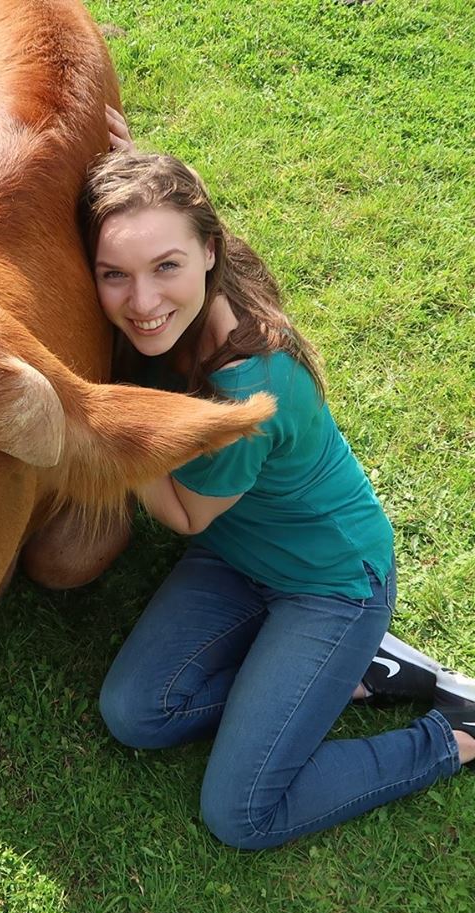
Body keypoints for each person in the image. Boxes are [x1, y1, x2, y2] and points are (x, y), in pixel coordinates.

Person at [85, 106, 475, 850]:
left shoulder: (249, 387)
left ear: (207, 253)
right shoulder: (207, 276)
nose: (142, 303)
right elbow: (176, 212)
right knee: (137, 713)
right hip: (235, 555)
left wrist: (106, 419)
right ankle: (366, 673)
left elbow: (183, 513)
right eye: (115, 274)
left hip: (329, 584)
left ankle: (455, 734)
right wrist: (137, 171)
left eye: (165, 266)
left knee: (242, 814)